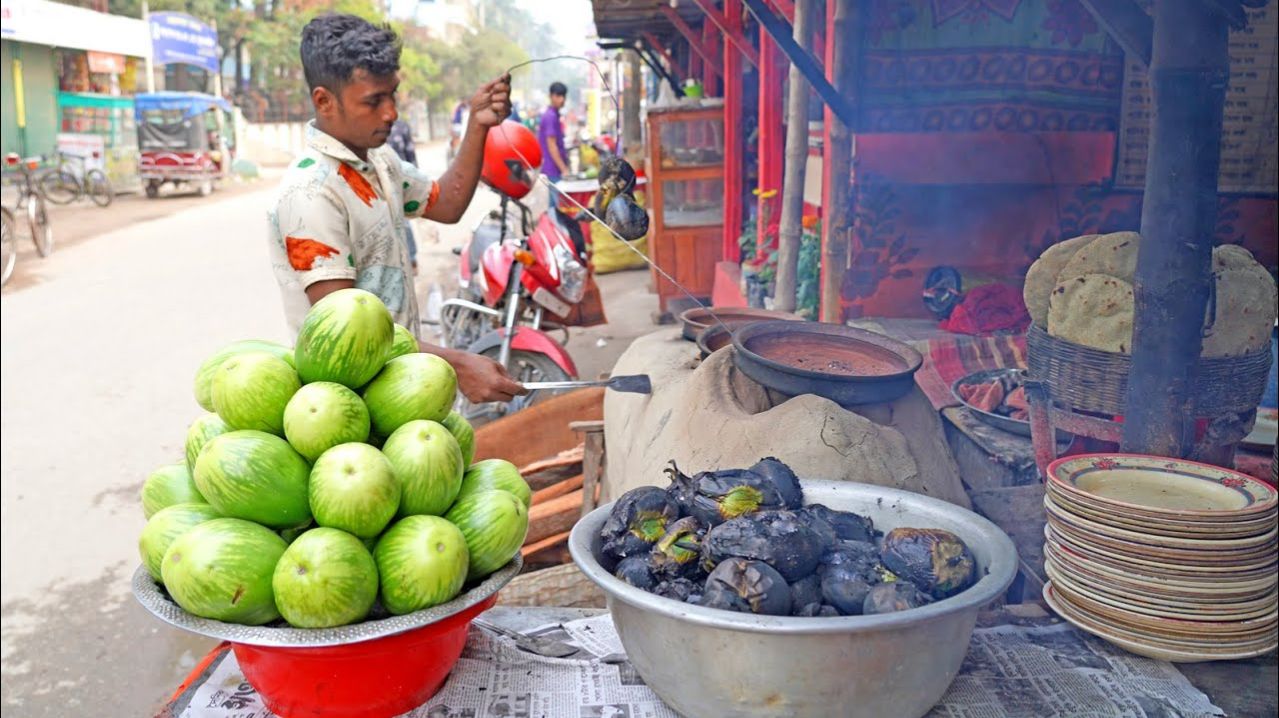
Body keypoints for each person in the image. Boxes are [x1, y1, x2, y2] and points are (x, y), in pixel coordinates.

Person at [268, 13, 525, 405]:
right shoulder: (310, 194)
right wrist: (457, 365)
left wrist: (478, 125)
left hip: (403, 386)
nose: (391, 113)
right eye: (373, 101)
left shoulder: (378, 162)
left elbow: (448, 203)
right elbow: (346, 338)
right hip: (349, 406)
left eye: (393, 95)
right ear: (324, 101)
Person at [385, 118, 418, 271]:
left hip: (399, 183)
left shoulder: (401, 126)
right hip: (377, 185)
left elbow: (411, 155)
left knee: (403, 222)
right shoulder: (368, 126)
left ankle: (411, 258)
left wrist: (415, 181)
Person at [539, 81, 570, 181]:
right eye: (558, 96)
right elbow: (552, 146)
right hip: (551, 170)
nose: (561, 99)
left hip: (554, 169)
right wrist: (564, 169)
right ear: (551, 96)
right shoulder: (550, 116)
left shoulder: (555, 115)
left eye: (563, 96)